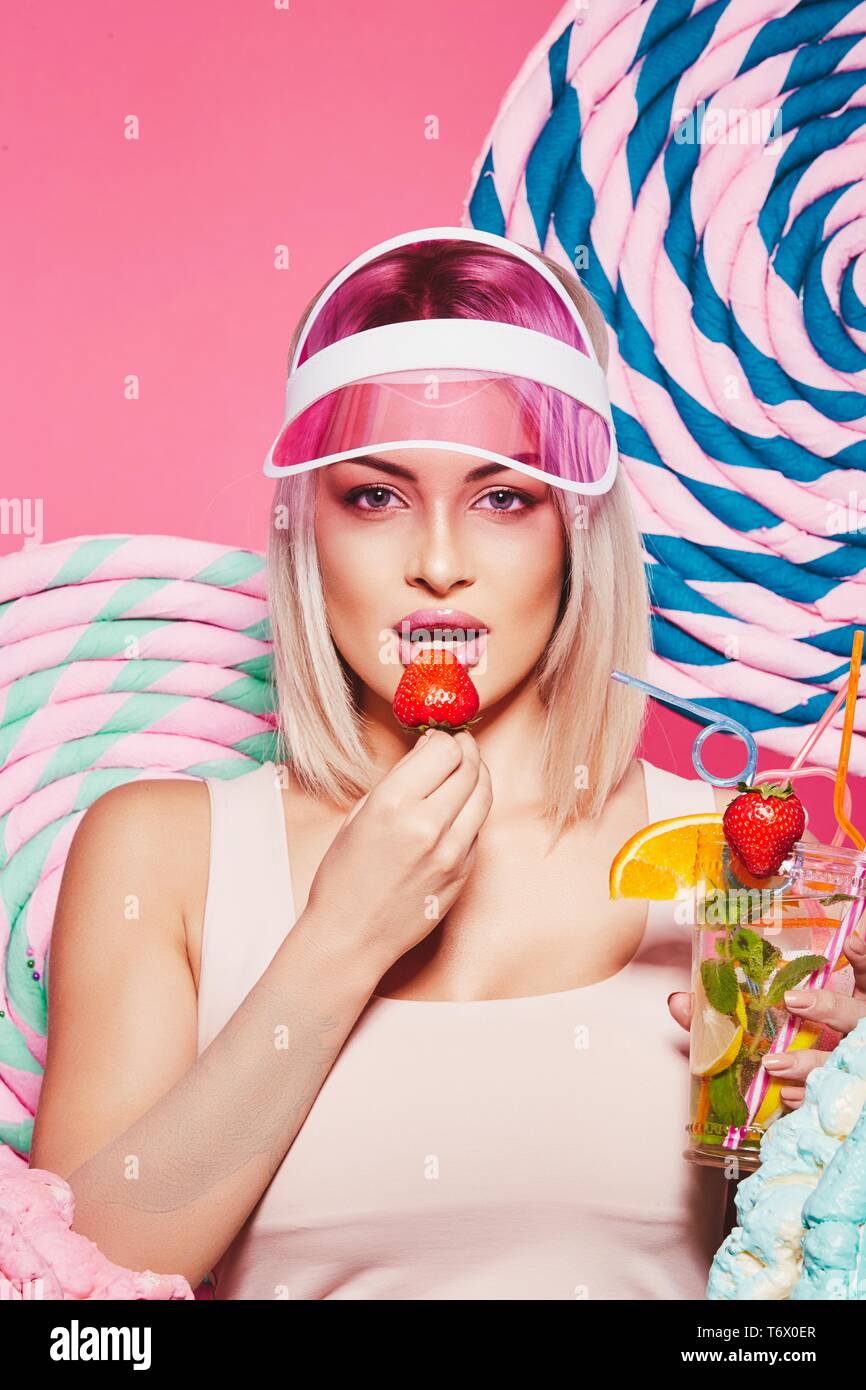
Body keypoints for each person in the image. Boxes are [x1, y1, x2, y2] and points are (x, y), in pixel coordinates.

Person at [30, 228, 739, 1300]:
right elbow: (68, 1309)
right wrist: (337, 943)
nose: (439, 565)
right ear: (305, 525)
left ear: (575, 526)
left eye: (504, 497)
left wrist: (841, 1116)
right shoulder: (161, 855)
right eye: (375, 496)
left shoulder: (735, 862)